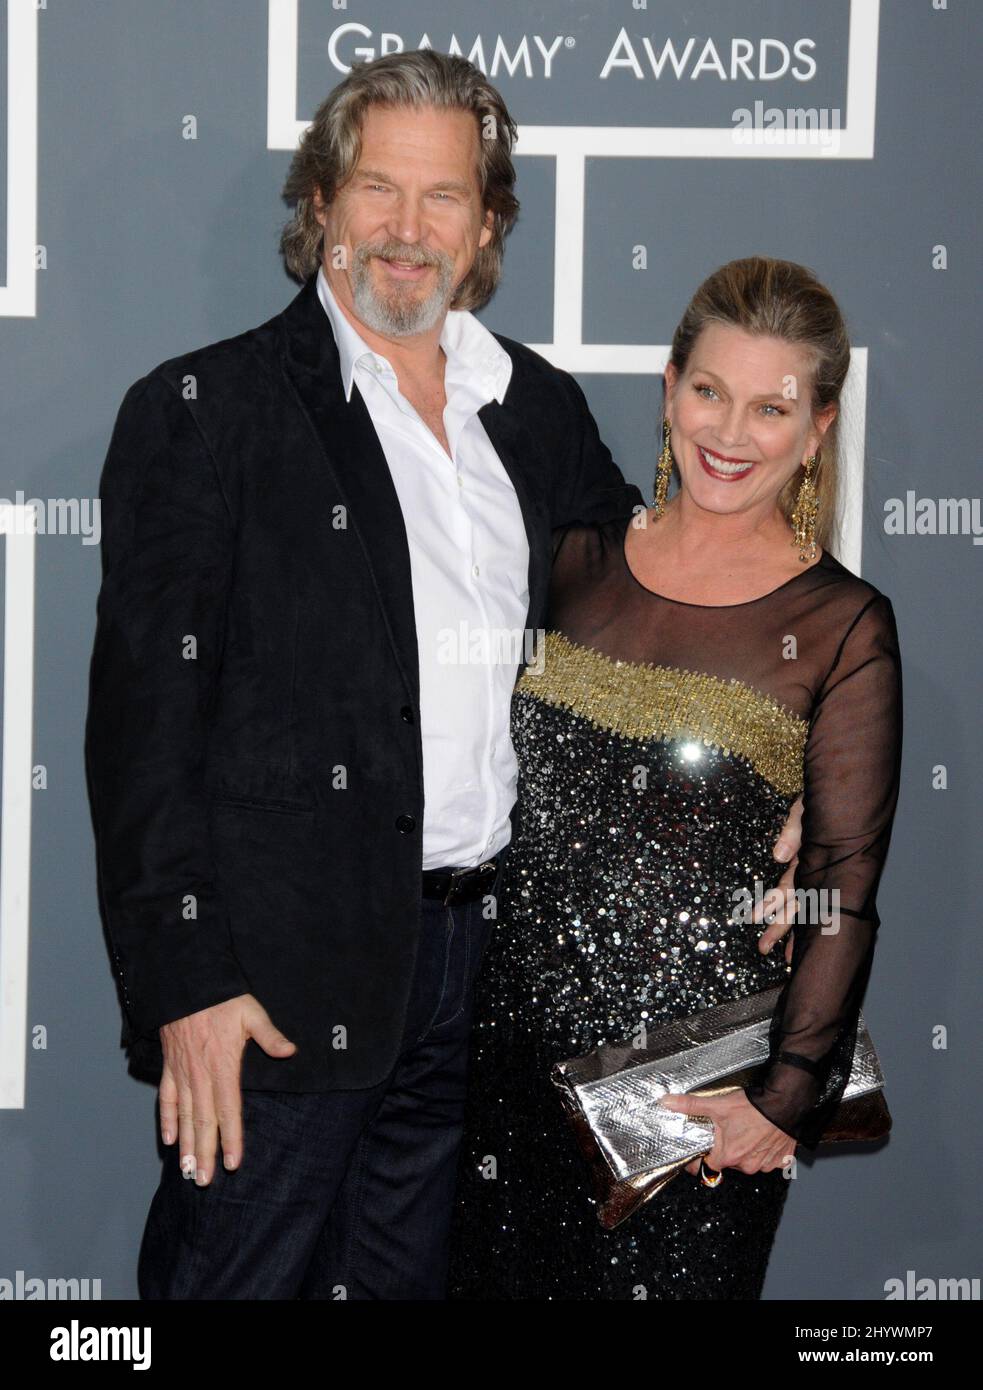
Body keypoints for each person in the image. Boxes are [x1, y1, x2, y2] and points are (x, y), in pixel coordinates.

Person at [84, 49, 801, 1301]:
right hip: (281, 986)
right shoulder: (206, 411)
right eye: (377, 189)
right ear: (321, 205)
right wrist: (187, 983)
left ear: (486, 227)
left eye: (444, 200)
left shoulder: (537, 414)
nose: (406, 233)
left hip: (491, 977)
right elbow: (141, 732)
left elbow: (667, 617)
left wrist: (789, 777)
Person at [448, 256, 903, 1301]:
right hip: (506, 1079)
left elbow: (838, 887)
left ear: (818, 428)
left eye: (769, 407)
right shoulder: (569, 559)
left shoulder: (841, 627)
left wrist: (783, 1099)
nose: (729, 434)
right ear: (667, 389)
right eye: (708, 391)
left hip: (691, 1111)